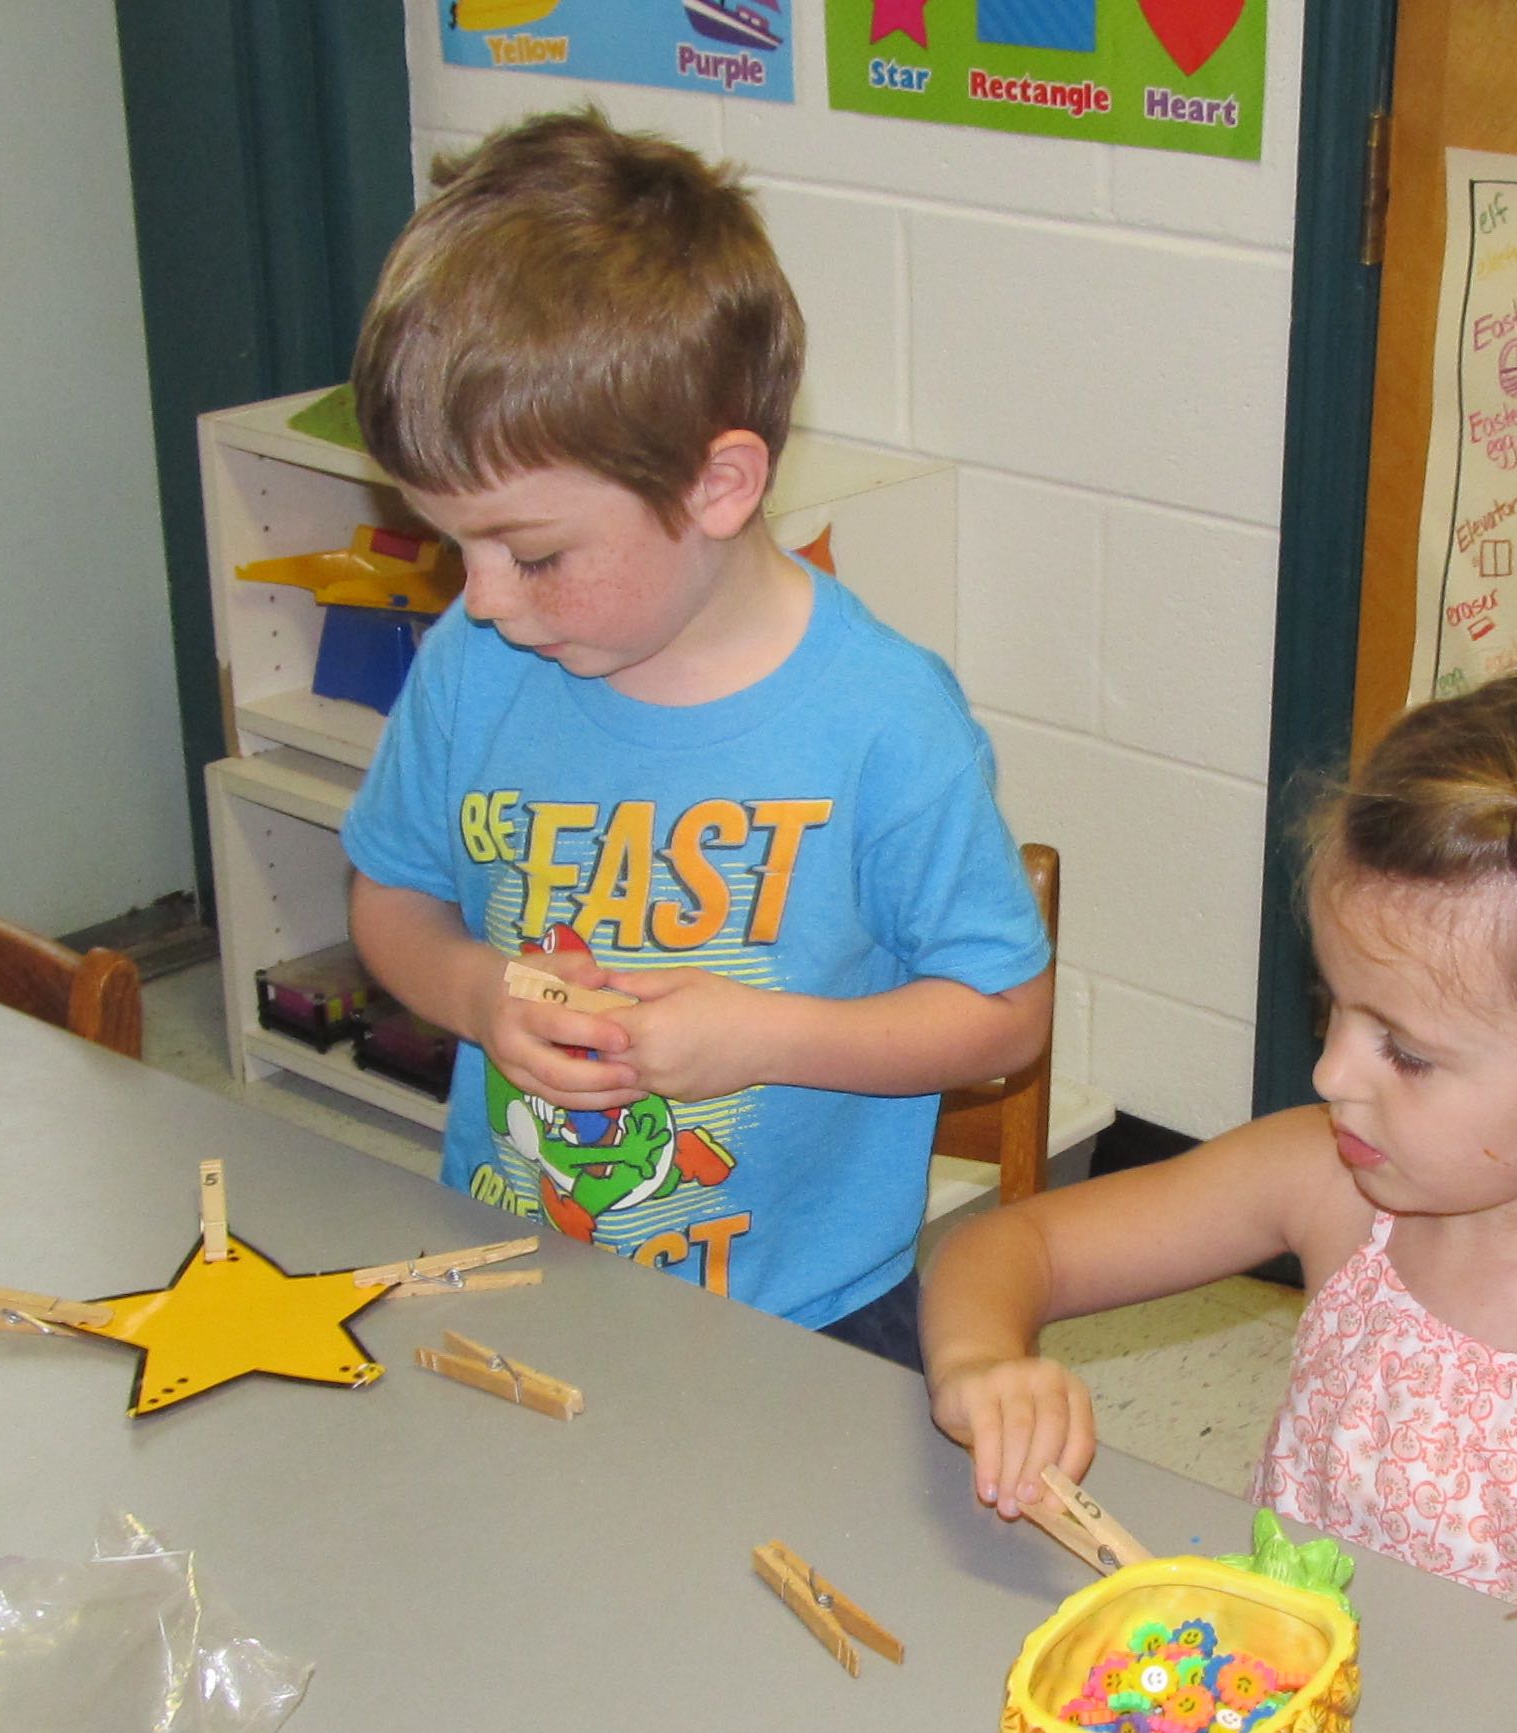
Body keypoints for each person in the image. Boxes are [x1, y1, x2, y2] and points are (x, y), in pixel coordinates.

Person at [922, 660, 1517, 1730]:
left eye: (1408, 1052)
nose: (1333, 1071)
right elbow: (1010, 1250)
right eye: (1334, 1006)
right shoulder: (1330, 1185)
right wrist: (981, 1363)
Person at [339, 112, 1052, 1367]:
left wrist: (760, 1034)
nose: (483, 597)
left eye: (533, 552)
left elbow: (1003, 1013)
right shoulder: (474, 661)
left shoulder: (883, 722)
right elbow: (393, 892)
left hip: (810, 1315)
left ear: (719, 485)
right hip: (512, 1261)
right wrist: (475, 993)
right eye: (454, 545)